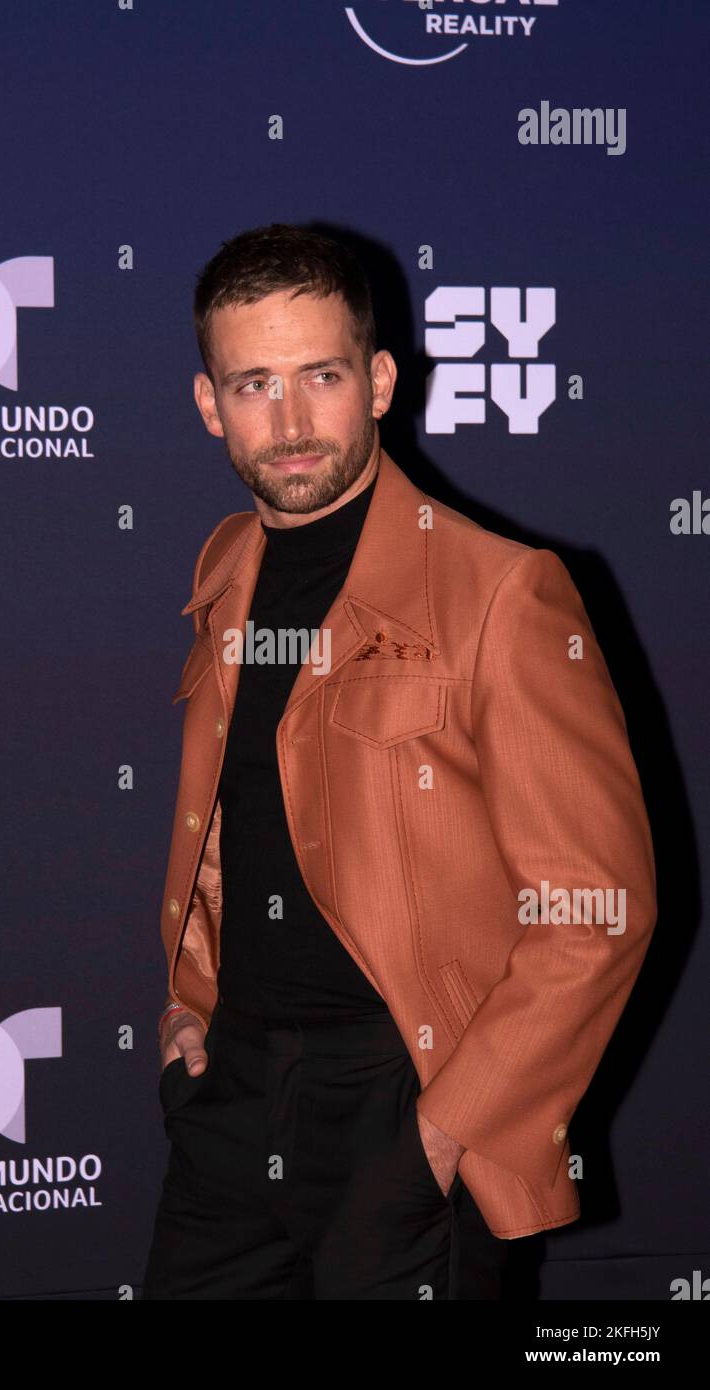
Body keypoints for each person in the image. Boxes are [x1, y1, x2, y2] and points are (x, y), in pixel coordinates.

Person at [141, 223, 657, 1300]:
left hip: (404, 1099)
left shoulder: (500, 592)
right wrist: (189, 1004)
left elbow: (596, 912)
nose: (287, 424)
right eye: (252, 385)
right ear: (208, 403)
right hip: (230, 1098)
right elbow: (235, 814)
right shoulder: (224, 564)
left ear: (377, 380)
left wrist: (442, 1130)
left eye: (320, 376)